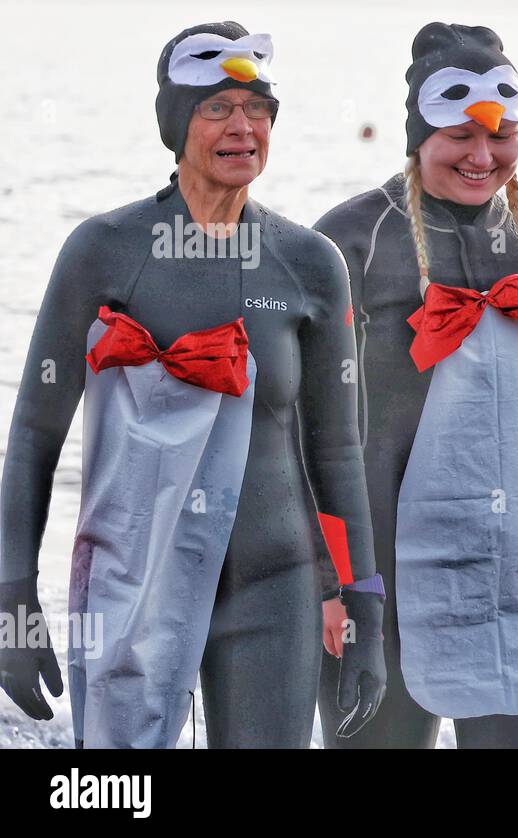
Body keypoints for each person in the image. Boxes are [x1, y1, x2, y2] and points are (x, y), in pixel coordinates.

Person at [0, 21, 385, 748]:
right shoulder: (104, 251)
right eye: (217, 107)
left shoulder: (310, 263)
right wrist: (12, 598)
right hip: (130, 582)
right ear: (177, 124)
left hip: (276, 583)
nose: (243, 127)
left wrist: (364, 601)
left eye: (258, 108)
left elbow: (338, 452)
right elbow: (32, 438)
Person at [313, 22, 518, 749]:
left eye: (503, 134)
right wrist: (329, 583)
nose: (483, 156)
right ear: (418, 134)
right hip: (379, 581)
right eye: (459, 135)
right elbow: (303, 427)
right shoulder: (349, 243)